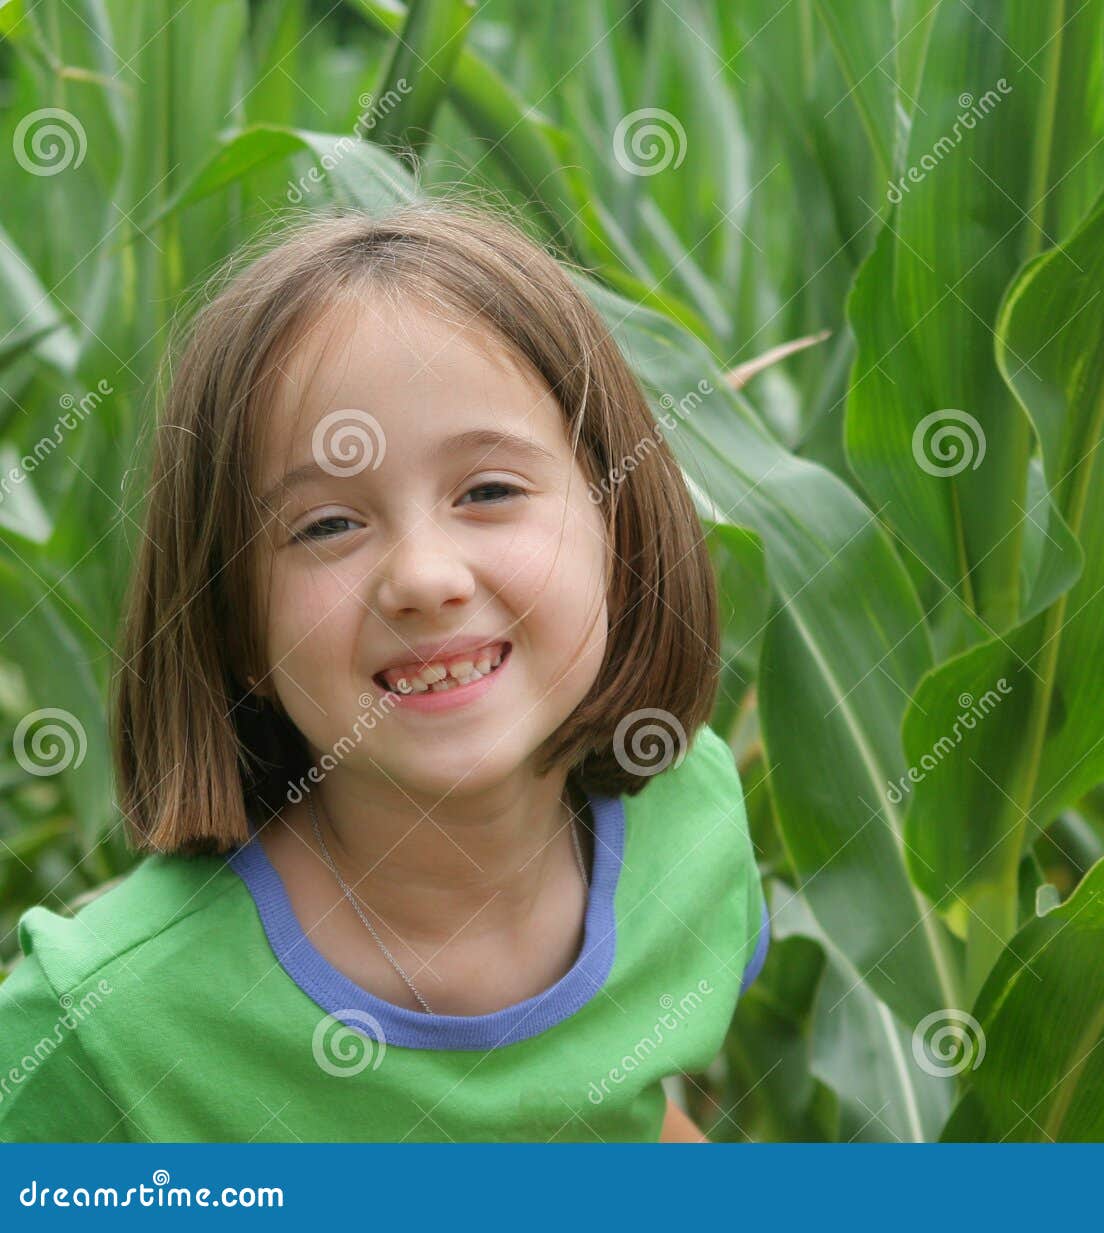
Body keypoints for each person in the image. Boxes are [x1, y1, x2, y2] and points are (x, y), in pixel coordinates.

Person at [0, 200, 767, 1142]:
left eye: (488, 491)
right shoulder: (98, 1026)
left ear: (621, 528)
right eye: (327, 525)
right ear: (233, 621)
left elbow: (632, 1115)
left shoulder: (687, 824)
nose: (423, 579)